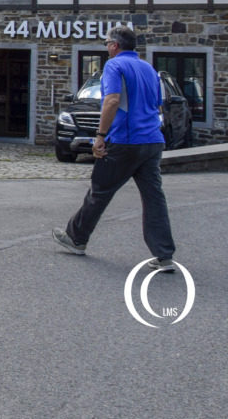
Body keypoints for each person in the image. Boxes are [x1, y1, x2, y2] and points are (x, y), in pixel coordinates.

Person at [53, 25, 176, 271]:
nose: (106, 46)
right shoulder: (150, 69)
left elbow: (111, 100)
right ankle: (164, 255)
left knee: (99, 190)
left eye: (107, 42)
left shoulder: (114, 66)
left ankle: (76, 239)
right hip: (152, 141)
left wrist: (100, 136)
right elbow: (158, 106)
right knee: (154, 198)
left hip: (124, 141)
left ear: (114, 45)